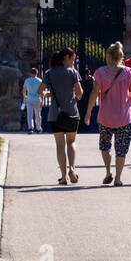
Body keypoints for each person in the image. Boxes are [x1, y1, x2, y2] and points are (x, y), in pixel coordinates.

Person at [84, 42, 131, 186]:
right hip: (124, 116)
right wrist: (127, 94)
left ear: (108, 56)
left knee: (105, 145)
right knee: (121, 148)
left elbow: (94, 93)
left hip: (105, 116)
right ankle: (118, 178)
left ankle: (108, 172)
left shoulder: (100, 72)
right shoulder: (128, 72)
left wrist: (88, 113)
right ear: (121, 56)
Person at [43, 51, 83, 185]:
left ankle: (64, 177)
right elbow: (79, 92)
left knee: (59, 145)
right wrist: (75, 97)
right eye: (73, 59)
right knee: (71, 142)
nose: (74, 61)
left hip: (55, 114)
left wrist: (50, 96)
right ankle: (72, 168)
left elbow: (39, 91)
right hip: (71, 112)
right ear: (66, 58)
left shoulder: (49, 73)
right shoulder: (73, 72)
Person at [22, 67, 44, 134]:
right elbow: (42, 92)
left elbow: (24, 90)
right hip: (37, 99)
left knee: (30, 114)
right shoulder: (40, 81)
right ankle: (38, 128)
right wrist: (42, 101)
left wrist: (24, 96)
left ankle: (30, 128)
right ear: (37, 73)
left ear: (30, 73)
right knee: (38, 115)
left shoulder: (27, 80)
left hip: (29, 99)